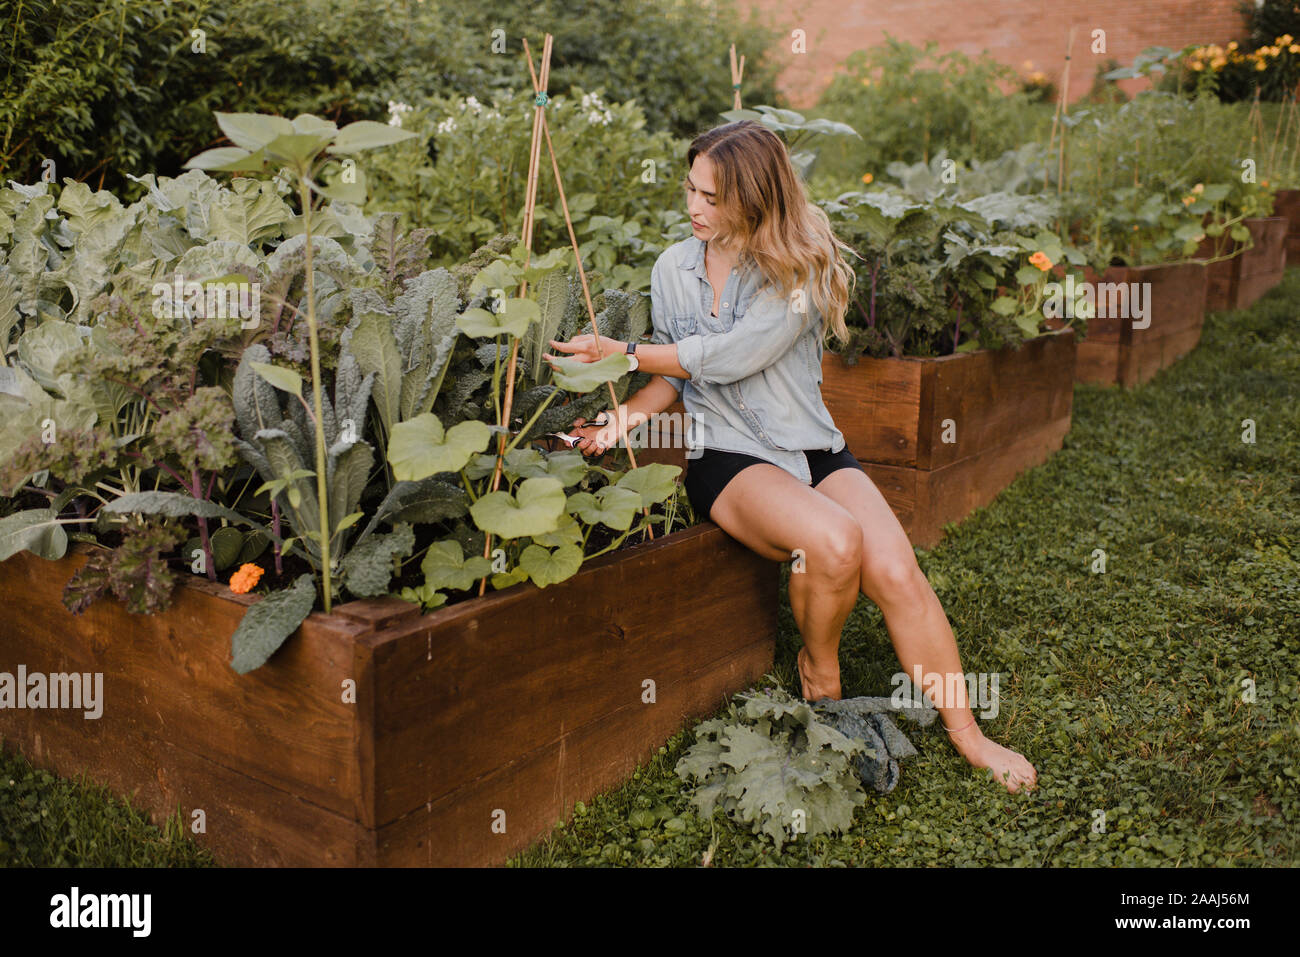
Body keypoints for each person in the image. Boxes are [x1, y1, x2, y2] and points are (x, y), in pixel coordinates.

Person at [544, 120, 1036, 794]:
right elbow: (679, 375)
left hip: (813, 448)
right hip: (728, 457)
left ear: (753, 198)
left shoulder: (798, 267)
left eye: (712, 198)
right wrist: (619, 418)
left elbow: (733, 354)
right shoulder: (673, 268)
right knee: (835, 542)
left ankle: (970, 736)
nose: (694, 208)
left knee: (896, 569)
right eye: (690, 189)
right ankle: (821, 675)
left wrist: (624, 350)